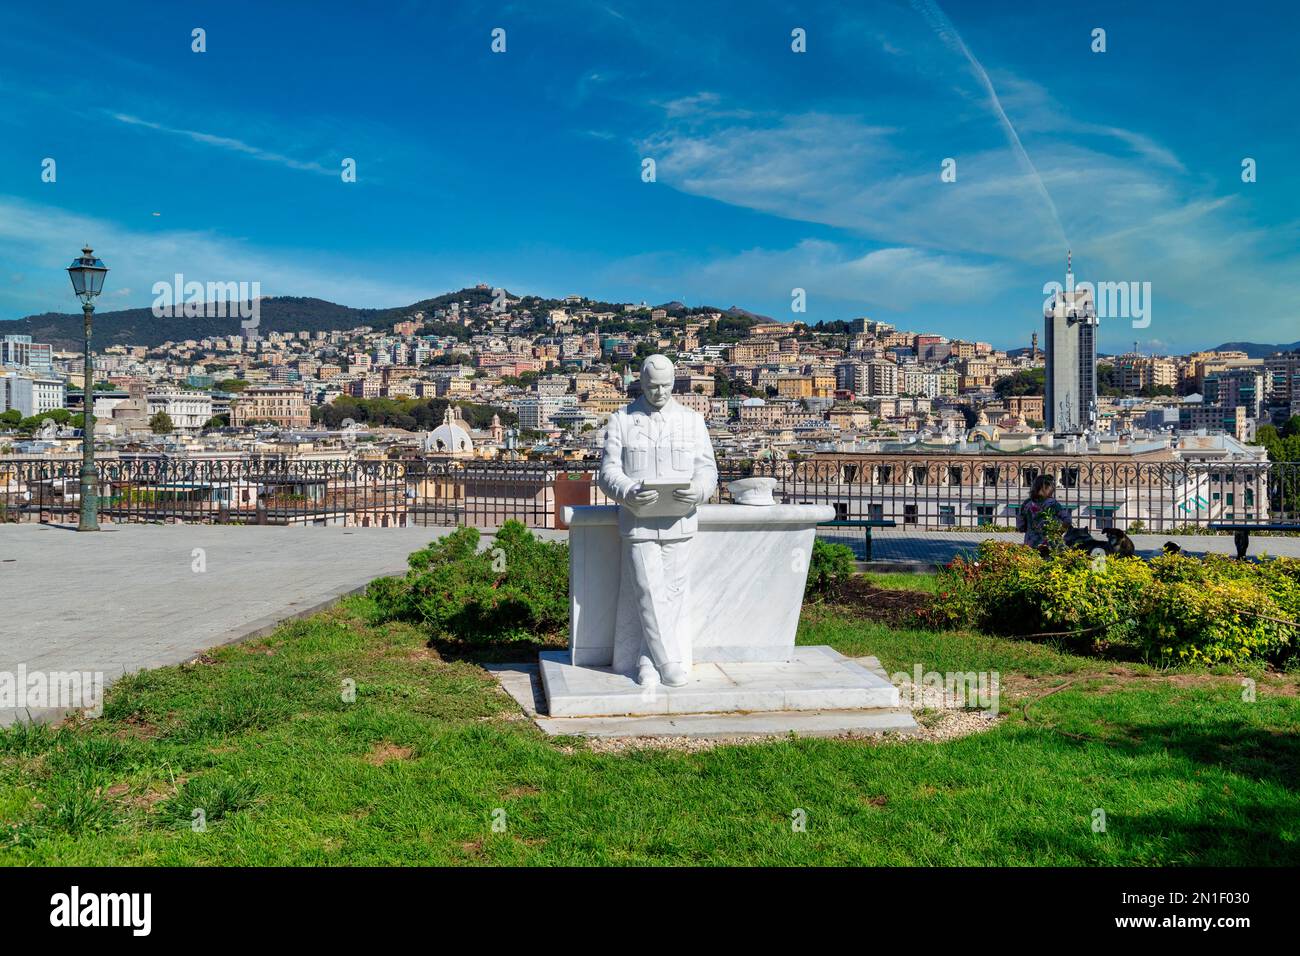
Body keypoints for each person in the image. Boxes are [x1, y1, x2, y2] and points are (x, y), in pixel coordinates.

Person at [598, 354, 718, 687]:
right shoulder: (621, 419)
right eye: (653, 386)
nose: (660, 393)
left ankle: (647, 662)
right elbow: (607, 473)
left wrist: (697, 491)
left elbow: (708, 469)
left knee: (673, 593)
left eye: (666, 386)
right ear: (641, 382)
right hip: (638, 521)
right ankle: (667, 662)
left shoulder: (692, 420)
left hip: (680, 520)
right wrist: (628, 491)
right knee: (648, 589)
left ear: (675, 382)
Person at [1017, 474, 1073, 552]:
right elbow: (1067, 520)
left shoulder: (1026, 503)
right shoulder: (1052, 503)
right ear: (1047, 488)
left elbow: (1020, 526)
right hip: (1050, 545)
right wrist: (1058, 533)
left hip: (1031, 545)